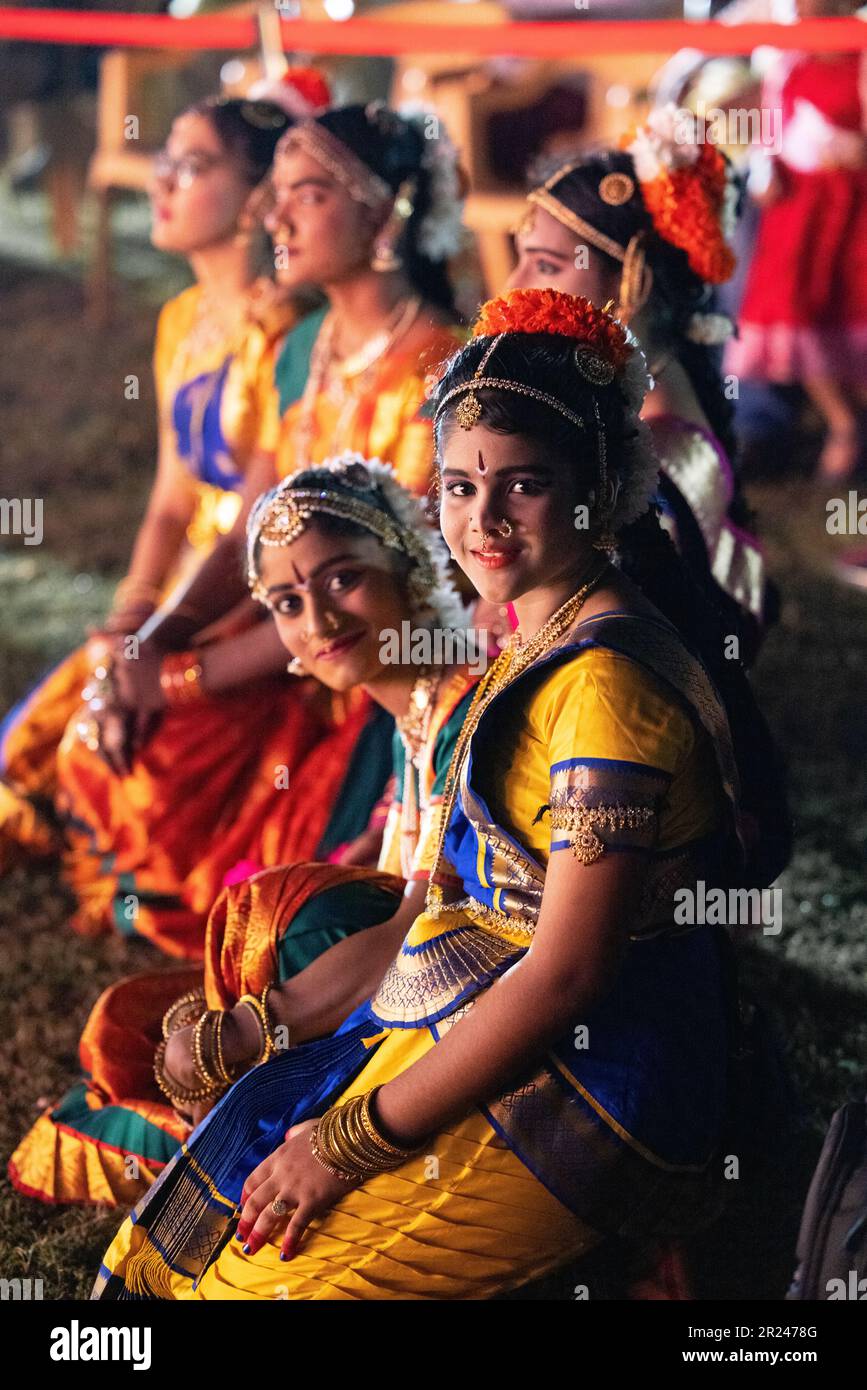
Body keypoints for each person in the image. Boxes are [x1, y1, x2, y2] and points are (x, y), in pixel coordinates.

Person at [94, 289, 783, 1302]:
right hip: (473, 1003)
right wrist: (276, 1039)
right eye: (459, 486)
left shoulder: (604, 687)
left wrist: (347, 1143)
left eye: (523, 485)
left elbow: (567, 978)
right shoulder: (538, 633)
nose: (482, 520)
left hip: (597, 1087)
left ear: (598, 486)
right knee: (200, 1247)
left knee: (258, 1287)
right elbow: (440, 906)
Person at [14, 102, 466, 957]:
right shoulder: (305, 348)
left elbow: (379, 603)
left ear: (384, 215)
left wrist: (184, 679)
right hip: (270, 631)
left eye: (303, 194)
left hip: (358, 676)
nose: (270, 215)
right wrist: (157, 639)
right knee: (103, 721)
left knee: (172, 770)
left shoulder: (436, 371)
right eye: (272, 194)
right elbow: (246, 530)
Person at [9, 457, 478, 1208]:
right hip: (404, 976)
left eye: (343, 579)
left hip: (468, 1005)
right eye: (287, 602)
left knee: (290, 921)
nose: (318, 622)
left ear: (409, 564)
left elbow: (418, 931)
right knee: (137, 1025)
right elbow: (397, 850)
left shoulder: (461, 703)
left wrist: (249, 1035)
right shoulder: (411, 707)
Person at [0, 84, 321, 924]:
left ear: (258, 200)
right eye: (165, 157)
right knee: (30, 738)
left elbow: (269, 524)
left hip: (250, 605)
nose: (162, 179)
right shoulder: (183, 319)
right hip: (183, 595)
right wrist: (130, 615)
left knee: (109, 758)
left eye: (194, 163)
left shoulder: (291, 335)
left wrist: (162, 640)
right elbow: (170, 502)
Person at [507, 107, 769, 664]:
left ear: (634, 280)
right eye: (521, 261)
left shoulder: (649, 457)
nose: (513, 288)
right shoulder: (629, 408)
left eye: (547, 266)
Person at [725, 3, 867, 480]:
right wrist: (765, 171)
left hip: (852, 206)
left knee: (852, 312)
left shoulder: (859, 50)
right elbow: (770, 128)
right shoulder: (787, 57)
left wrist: (852, 151)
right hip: (797, 210)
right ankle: (842, 422)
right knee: (795, 312)